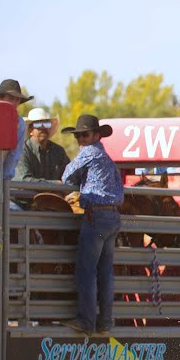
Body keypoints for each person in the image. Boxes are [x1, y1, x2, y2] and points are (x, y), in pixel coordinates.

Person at [59, 114, 125, 336]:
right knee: (105, 271)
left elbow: (67, 175)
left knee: (87, 270)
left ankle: (87, 320)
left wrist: (81, 183)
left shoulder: (89, 153)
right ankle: (105, 321)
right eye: (79, 136)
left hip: (96, 216)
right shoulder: (106, 158)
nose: (81, 140)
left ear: (96, 135)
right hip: (113, 216)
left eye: (84, 135)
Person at [0, 78, 33, 207]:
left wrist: (3, 181)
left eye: (18, 100)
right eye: (11, 98)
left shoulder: (19, 123)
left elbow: (14, 154)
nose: (15, 103)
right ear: (0, 97)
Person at [14, 107, 71, 205]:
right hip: (22, 203)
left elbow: (70, 176)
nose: (43, 127)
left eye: (46, 124)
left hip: (51, 204)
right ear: (30, 130)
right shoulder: (22, 150)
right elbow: (23, 181)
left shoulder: (59, 151)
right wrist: (55, 185)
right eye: (38, 124)